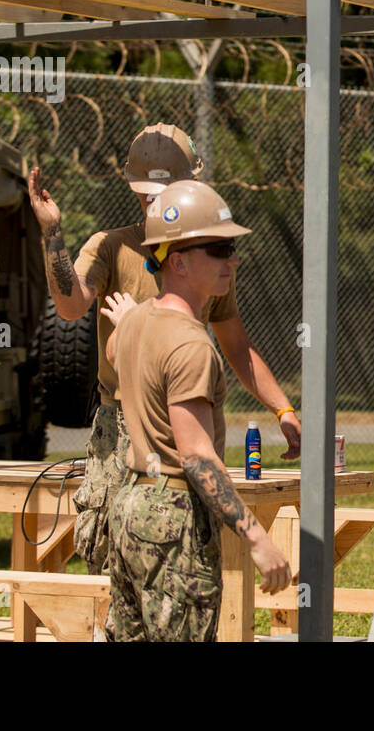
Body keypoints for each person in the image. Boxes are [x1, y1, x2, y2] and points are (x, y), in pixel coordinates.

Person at [27, 123, 301, 574]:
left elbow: (236, 345)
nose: (152, 201)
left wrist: (282, 410)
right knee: (108, 547)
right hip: (121, 420)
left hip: (186, 414)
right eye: (144, 192)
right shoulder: (112, 247)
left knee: (186, 551)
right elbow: (71, 304)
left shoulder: (206, 257)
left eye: (163, 191)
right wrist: (53, 234)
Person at [101, 178, 291, 641]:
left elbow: (114, 355)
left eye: (231, 248)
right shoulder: (191, 344)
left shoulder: (138, 321)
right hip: (173, 519)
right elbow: (197, 457)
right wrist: (259, 540)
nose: (234, 259)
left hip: (128, 507)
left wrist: (131, 323)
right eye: (220, 248)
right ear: (179, 261)